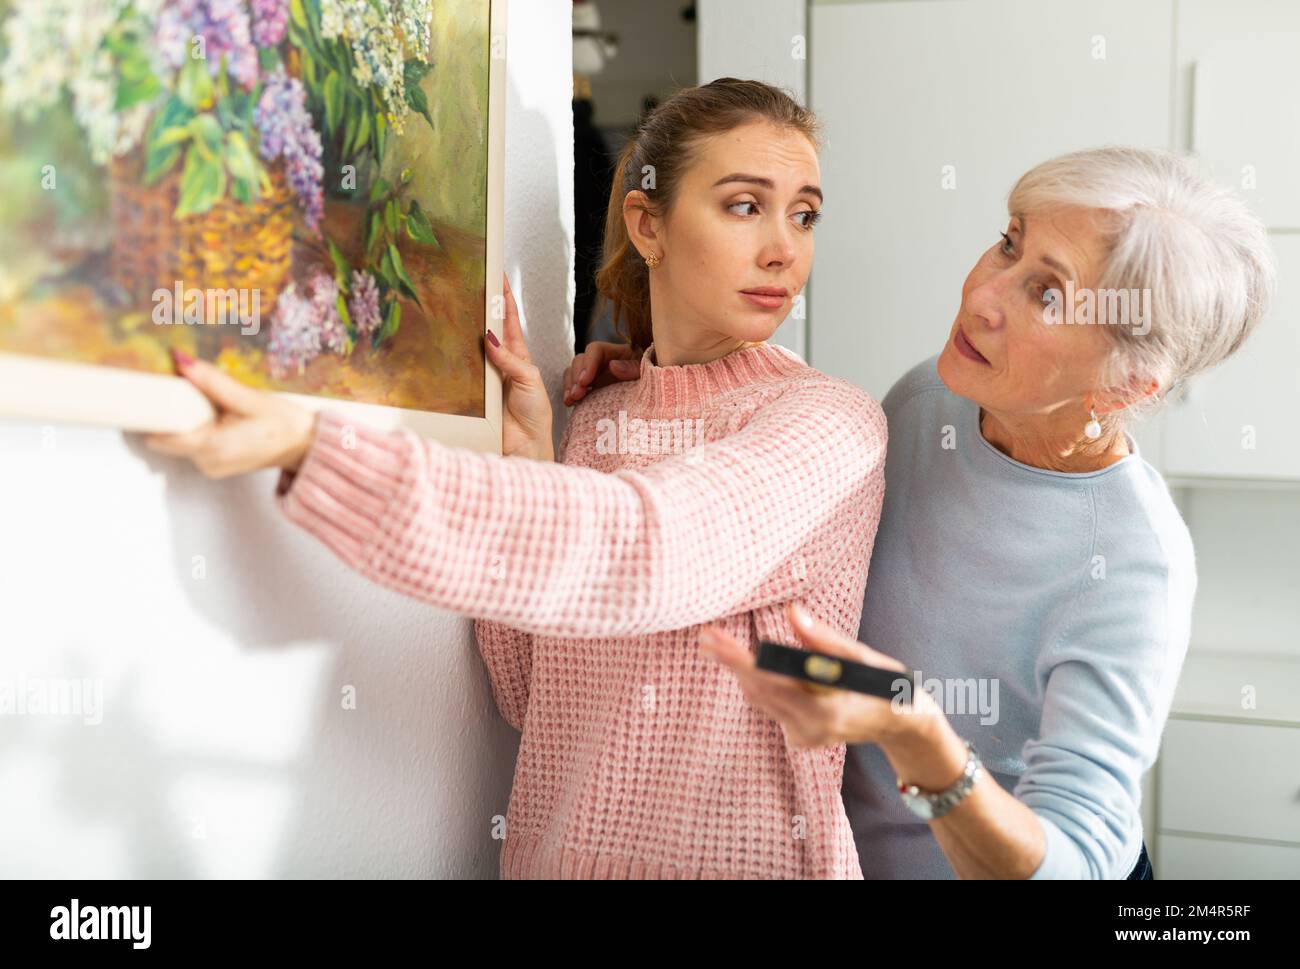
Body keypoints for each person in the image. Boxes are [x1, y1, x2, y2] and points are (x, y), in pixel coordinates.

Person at [143, 78, 888, 879]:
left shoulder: (831, 424)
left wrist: (315, 448)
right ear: (648, 224)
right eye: (746, 205)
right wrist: (532, 456)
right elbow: (537, 696)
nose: (785, 248)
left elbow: (651, 547)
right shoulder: (598, 419)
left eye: (804, 214)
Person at [568, 146, 1275, 878]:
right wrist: (665, 386)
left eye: (1048, 294)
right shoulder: (930, 403)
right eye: (1009, 242)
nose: (982, 297)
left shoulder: (1134, 564)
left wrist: (922, 741)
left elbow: (1080, 860)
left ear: (1125, 385)